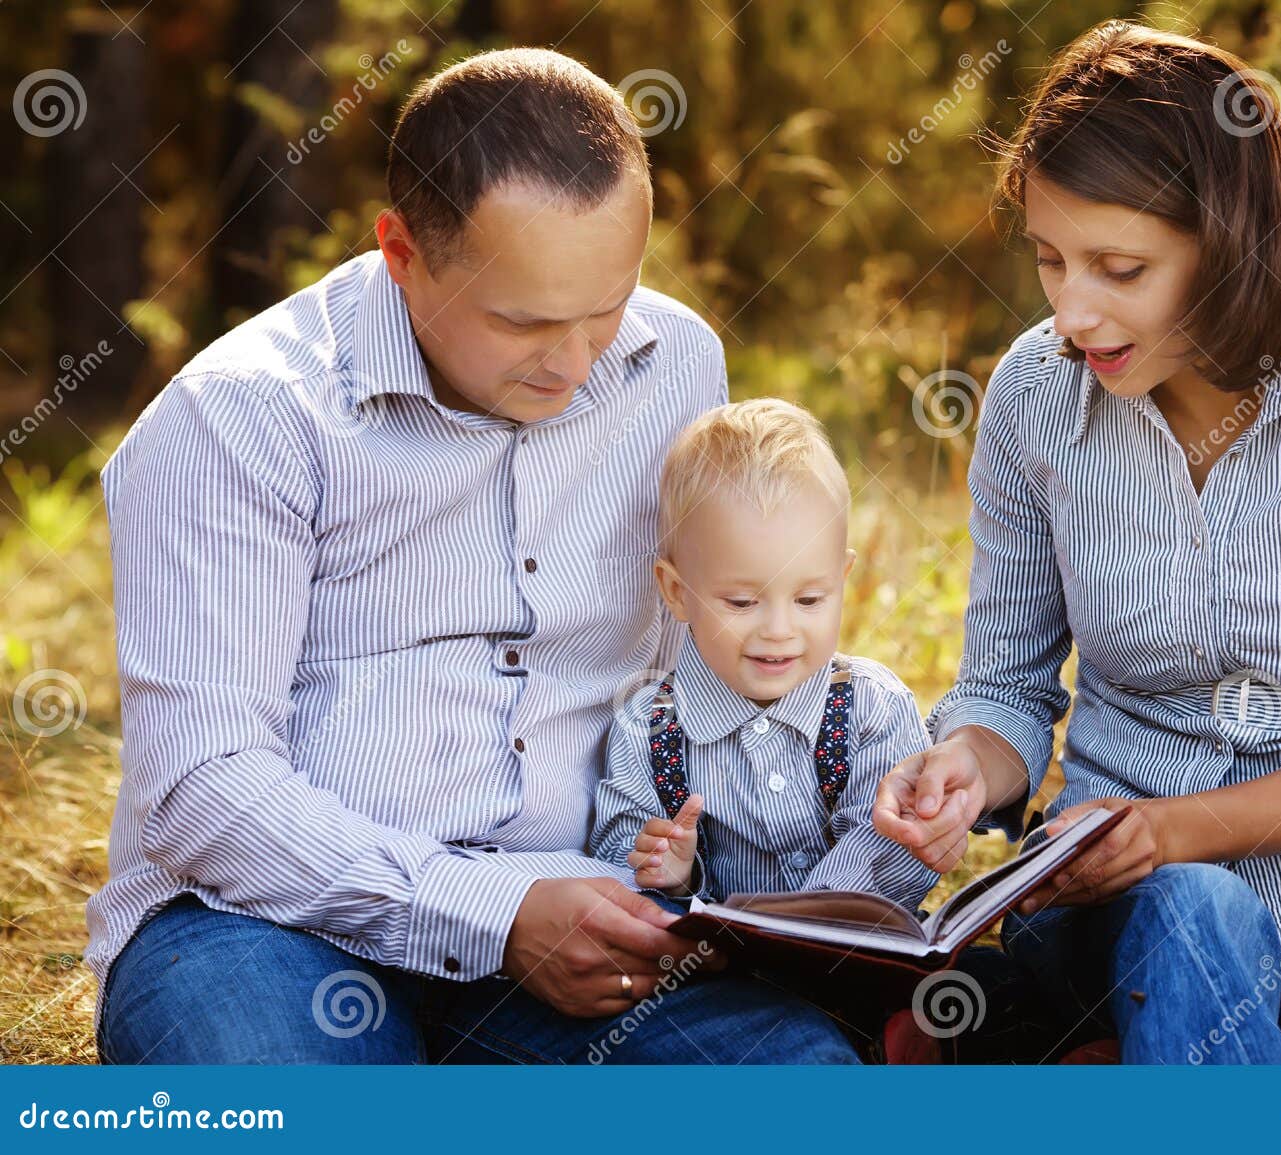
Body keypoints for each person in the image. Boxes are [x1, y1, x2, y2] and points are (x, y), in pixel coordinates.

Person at [88, 48, 857, 1065]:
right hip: (263, 922)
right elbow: (202, 788)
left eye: (606, 309)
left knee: (801, 1088)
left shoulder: (677, 365)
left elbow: (701, 664)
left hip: (591, 914)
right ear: (401, 251)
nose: (575, 365)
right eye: (523, 322)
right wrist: (492, 915)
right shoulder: (239, 418)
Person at [874, 20, 1281, 1064]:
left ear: (1230, 244)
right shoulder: (1035, 397)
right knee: (1195, 908)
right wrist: (963, 767)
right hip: (1123, 913)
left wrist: (1169, 827)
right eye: (1050, 261)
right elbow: (1006, 690)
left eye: (1120, 268)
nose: (1072, 313)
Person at [590, 398, 937, 910]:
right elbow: (620, 852)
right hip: (714, 955)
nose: (779, 630)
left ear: (842, 580)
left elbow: (894, 843)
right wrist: (672, 874)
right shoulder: (647, 725)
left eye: (809, 600)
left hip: (858, 947)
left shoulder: (874, 708)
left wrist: (806, 920)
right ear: (677, 592)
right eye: (742, 602)